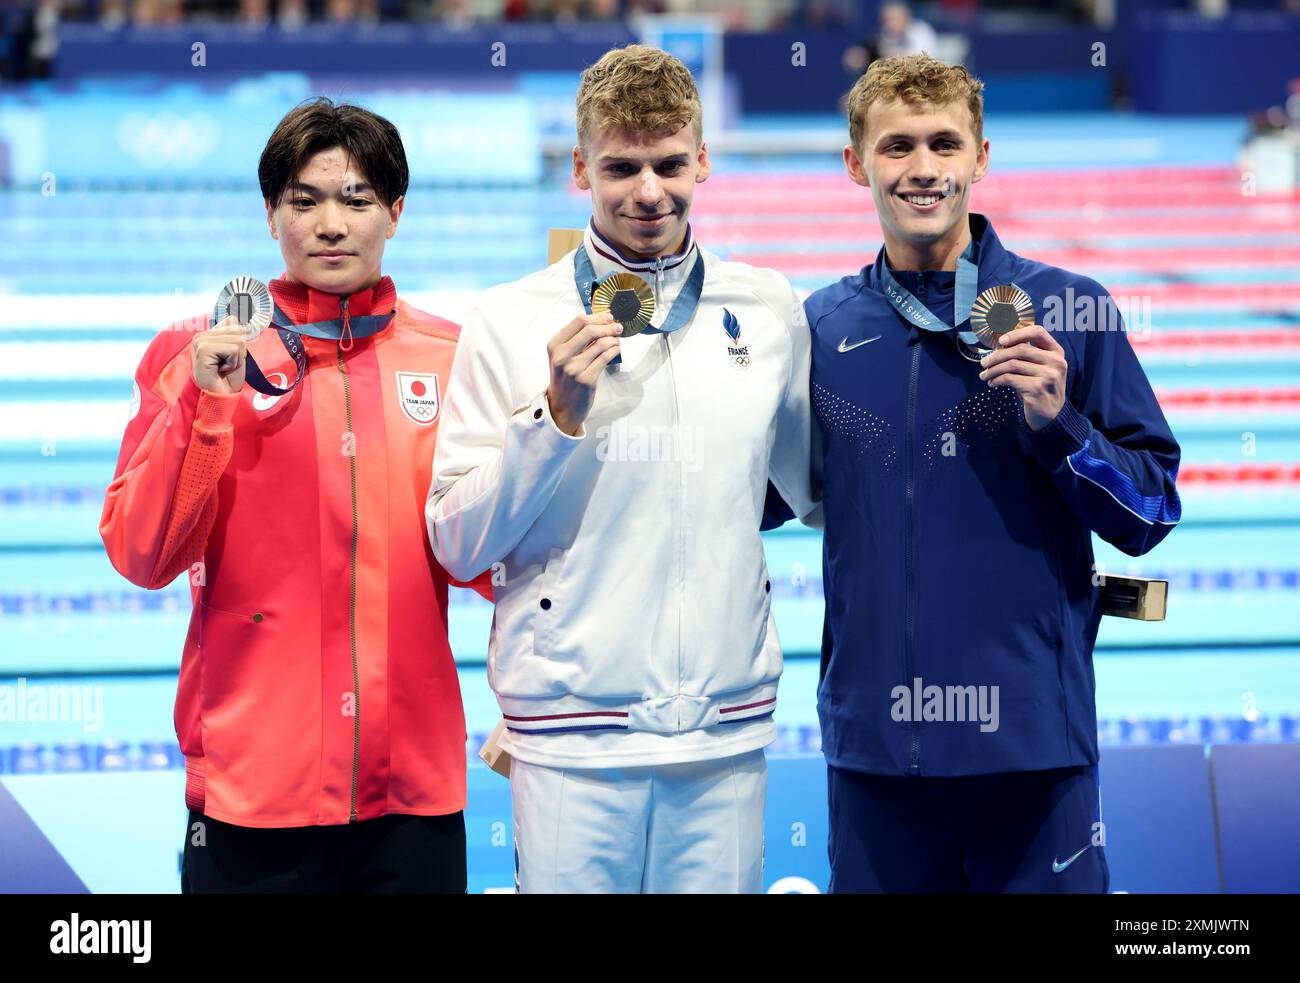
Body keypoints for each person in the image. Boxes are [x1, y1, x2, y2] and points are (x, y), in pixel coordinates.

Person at [426, 44, 815, 894]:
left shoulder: (768, 308)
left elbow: (815, 492)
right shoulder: (505, 320)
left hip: (725, 730)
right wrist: (552, 419)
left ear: (704, 160)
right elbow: (455, 542)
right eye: (622, 166)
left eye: (671, 163)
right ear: (580, 168)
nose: (649, 190)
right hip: (569, 737)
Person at [804, 54, 1181, 893]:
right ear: (855, 163)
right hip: (875, 759)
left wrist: (1061, 425)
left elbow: (1152, 509)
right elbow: (750, 498)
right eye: (897, 146)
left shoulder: (1071, 310)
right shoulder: (822, 329)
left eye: (945, 143)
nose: (924, 168)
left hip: (1032, 756)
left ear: (981, 157)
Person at [100, 98, 478, 893]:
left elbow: (496, 564)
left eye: (358, 199)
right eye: (304, 200)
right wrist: (206, 411)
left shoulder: (451, 359)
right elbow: (142, 555)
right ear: (272, 213)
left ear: (397, 213)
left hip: (412, 797)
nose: (330, 223)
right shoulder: (193, 353)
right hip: (248, 794)